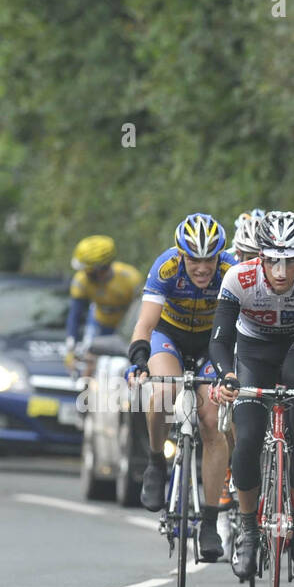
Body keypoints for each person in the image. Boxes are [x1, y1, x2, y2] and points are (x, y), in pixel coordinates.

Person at [211, 211, 294, 581]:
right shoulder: (239, 278)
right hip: (253, 352)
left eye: (290, 261)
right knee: (246, 440)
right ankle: (248, 533)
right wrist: (226, 376)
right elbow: (220, 338)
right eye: (272, 261)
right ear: (259, 258)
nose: (281, 272)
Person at [126, 213, 236, 560]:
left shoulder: (230, 270)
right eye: (194, 259)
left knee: (212, 419)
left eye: (209, 258)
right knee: (162, 393)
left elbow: (243, 326)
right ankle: (156, 462)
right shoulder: (166, 268)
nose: (202, 267)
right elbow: (145, 324)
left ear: (219, 255)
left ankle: (208, 521)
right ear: (181, 255)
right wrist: (139, 361)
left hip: (211, 343)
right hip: (169, 335)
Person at [65, 235, 142, 369]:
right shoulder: (80, 281)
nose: (84, 275)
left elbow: (141, 314)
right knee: (89, 358)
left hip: (126, 327)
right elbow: (75, 316)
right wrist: (71, 349)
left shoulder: (130, 279)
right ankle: (86, 387)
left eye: (88, 271)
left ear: (102, 268)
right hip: (99, 323)